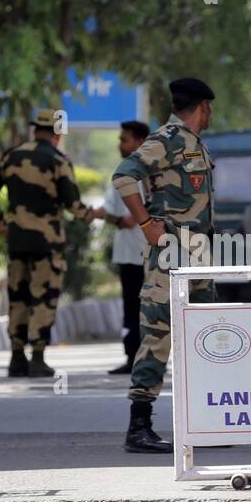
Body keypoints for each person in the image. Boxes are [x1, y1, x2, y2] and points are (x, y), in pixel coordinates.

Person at [113, 78, 217, 453]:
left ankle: (205, 422)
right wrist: (146, 224)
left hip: (199, 254)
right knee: (158, 334)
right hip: (171, 255)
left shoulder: (194, 143)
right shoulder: (167, 139)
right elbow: (124, 176)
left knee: (205, 335)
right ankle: (139, 426)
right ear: (204, 106)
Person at [0, 109, 104, 378]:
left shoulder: (11, 155)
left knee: (18, 297)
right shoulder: (58, 160)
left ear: (35, 129)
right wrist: (94, 216)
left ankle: (16, 357)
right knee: (44, 297)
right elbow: (72, 204)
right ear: (57, 133)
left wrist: (2, 225)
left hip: (17, 242)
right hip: (47, 244)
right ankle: (37, 357)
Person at [102, 120, 151, 374]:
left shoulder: (143, 172)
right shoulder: (124, 171)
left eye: (125, 139)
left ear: (139, 141)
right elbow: (112, 212)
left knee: (142, 307)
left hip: (141, 253)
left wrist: (101, 216)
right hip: (127, 253)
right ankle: (132, 356)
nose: (120, 144)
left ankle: (144, 358)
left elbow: (131, 218)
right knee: (130, 307)